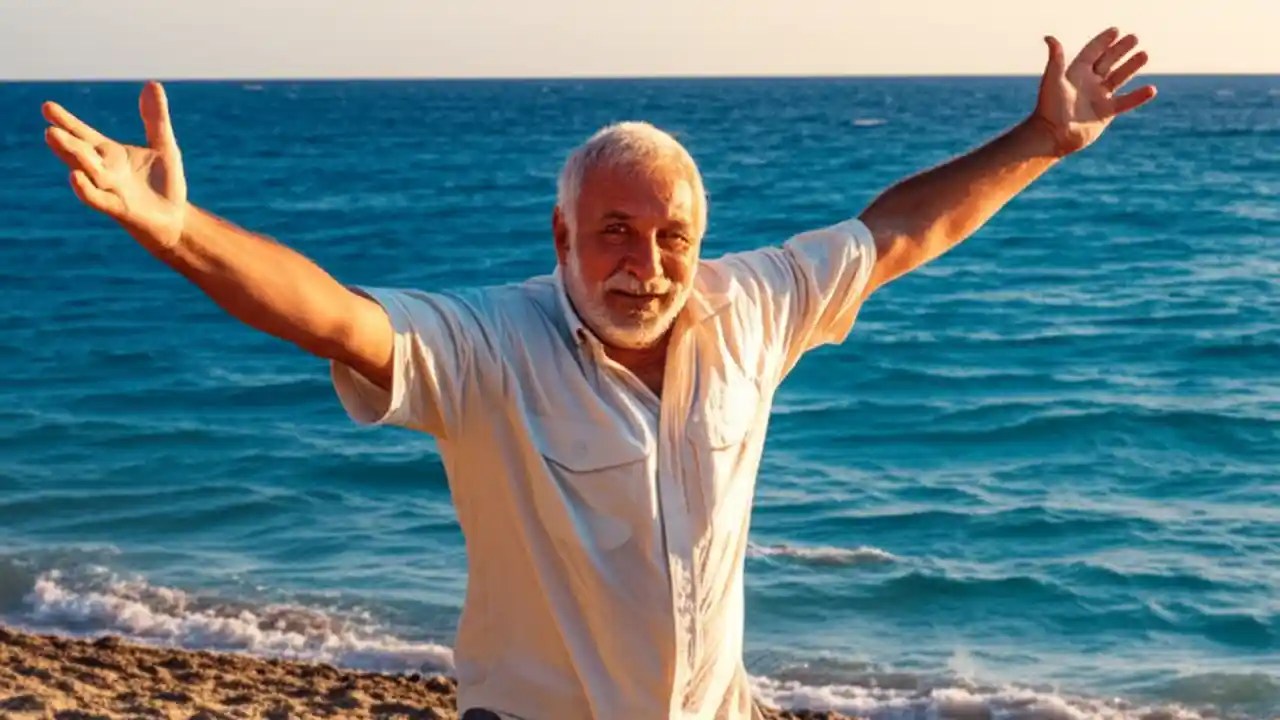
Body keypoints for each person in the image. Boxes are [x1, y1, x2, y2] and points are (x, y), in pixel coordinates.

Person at [41, 28, 1155, 720]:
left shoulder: (750, 307)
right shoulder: (487, 347)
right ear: (561, 236)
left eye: (670, 236)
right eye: (613, 232)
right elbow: (336, 317)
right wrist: (177, 229)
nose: (647, 263)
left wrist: (1036, 140)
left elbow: (897, 232)